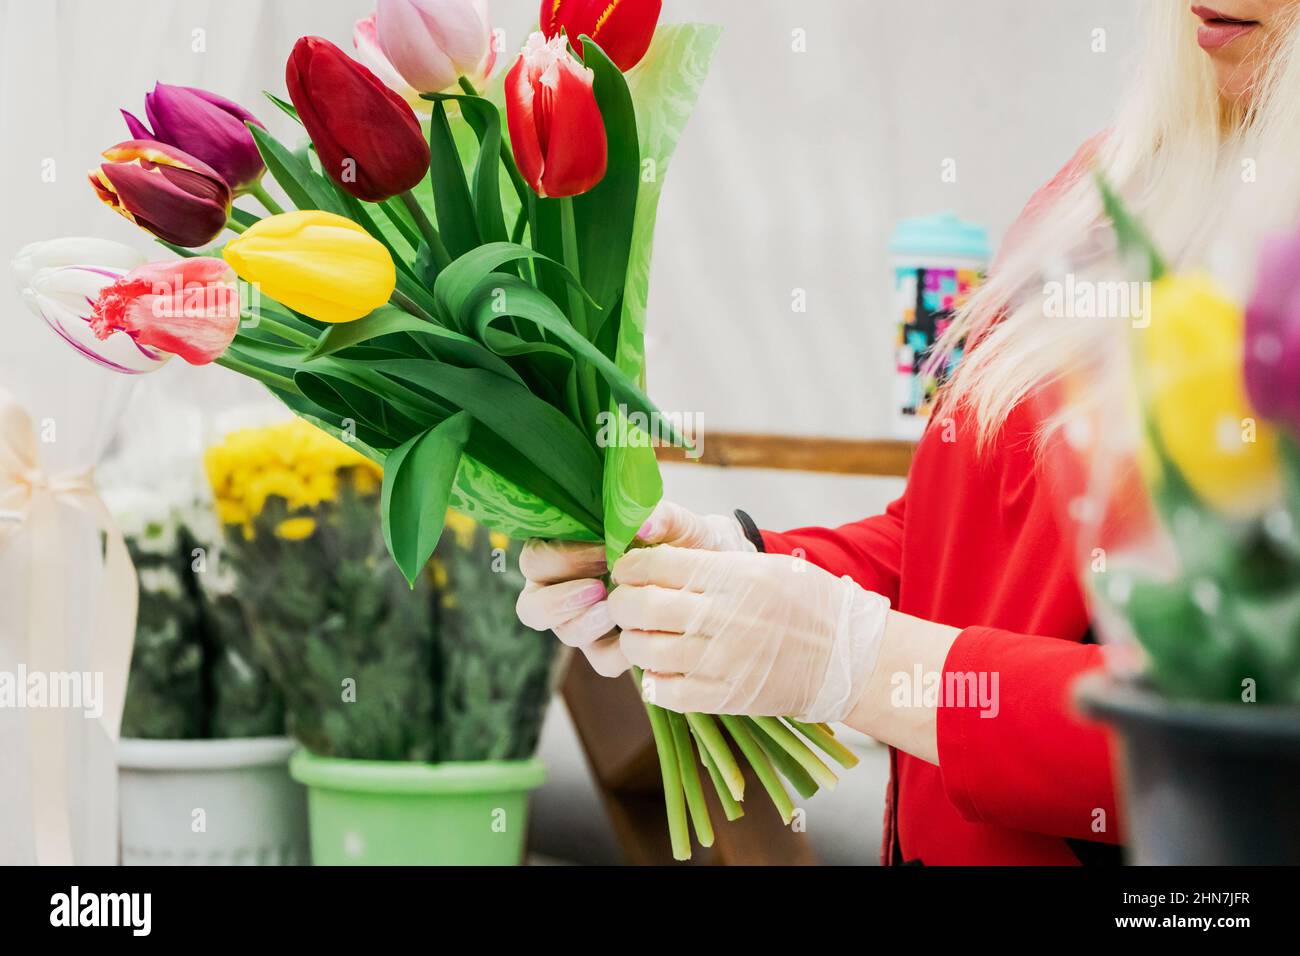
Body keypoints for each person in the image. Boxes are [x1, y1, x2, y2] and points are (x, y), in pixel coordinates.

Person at [514, 1, 1300, 865]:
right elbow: (954, 544)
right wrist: (732, 569)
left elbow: (1237, 744)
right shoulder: (1110, 188)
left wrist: (867, 664)